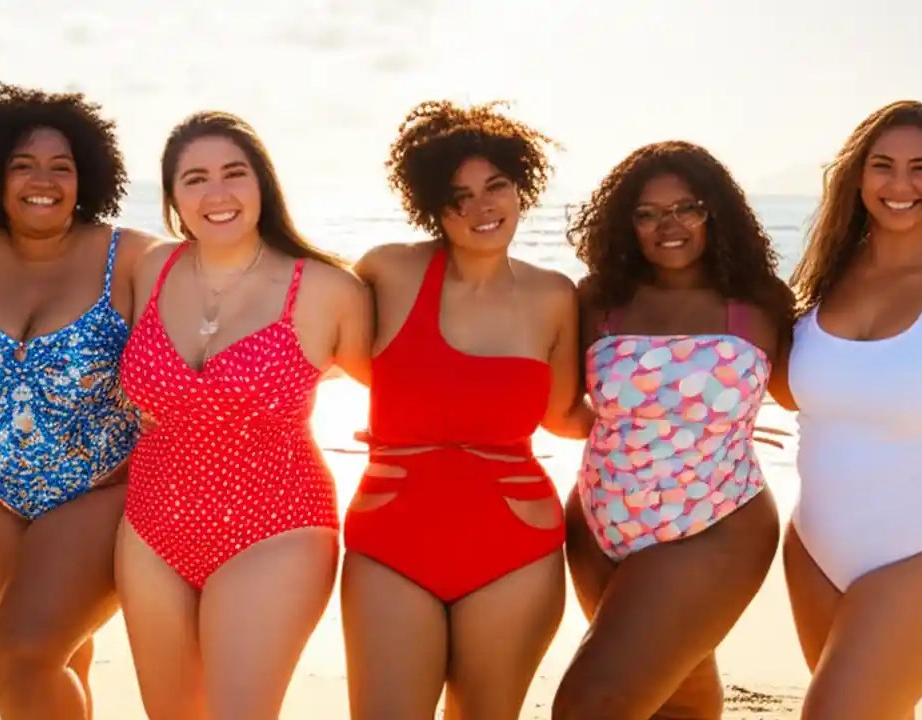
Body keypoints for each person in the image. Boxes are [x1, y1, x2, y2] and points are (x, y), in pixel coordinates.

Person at [115, 110, 372, 720]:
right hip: (152, 524)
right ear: (174, 198)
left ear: (263, 184)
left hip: (277, 526)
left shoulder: (327, 290)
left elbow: (403, 390)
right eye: (195, 179)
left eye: (235, 173)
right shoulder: (150, 269)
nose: (218, 193)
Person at [342, 100, 583, 720]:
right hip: (392, 536)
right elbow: (305, 334)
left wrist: (681, 422)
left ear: (518, 188)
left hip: (514, 546)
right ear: (432, 207)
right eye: (459, 197)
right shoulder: (388, 271)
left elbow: (564, 417)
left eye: (495, 186)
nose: (482, 208)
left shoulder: (554, 296)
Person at [553, 140, 795, 719]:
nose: (670, 225)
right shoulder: (597, 300)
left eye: (687, 207)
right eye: (648, 213)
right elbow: (559, 410)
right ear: (625, 223)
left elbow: (821, 391)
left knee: (589, 704)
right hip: (598, 524)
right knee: (676, 699)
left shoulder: (762, 302)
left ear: (716, 211)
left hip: (715, 521)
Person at [0, 80, 155, 719]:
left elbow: (218, 307)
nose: (44, 180)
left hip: (101, 491)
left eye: (62, 166)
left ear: (86, 176)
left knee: (20, 656)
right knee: (57, 660)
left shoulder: (132, 256)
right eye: (22, 165)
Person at [776, 100, 922, 720]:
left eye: (920, 168)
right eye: (883, 166)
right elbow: (803, 396)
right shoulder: (819, 283)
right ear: (856, 176)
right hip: (815, 550)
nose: (900, 185)